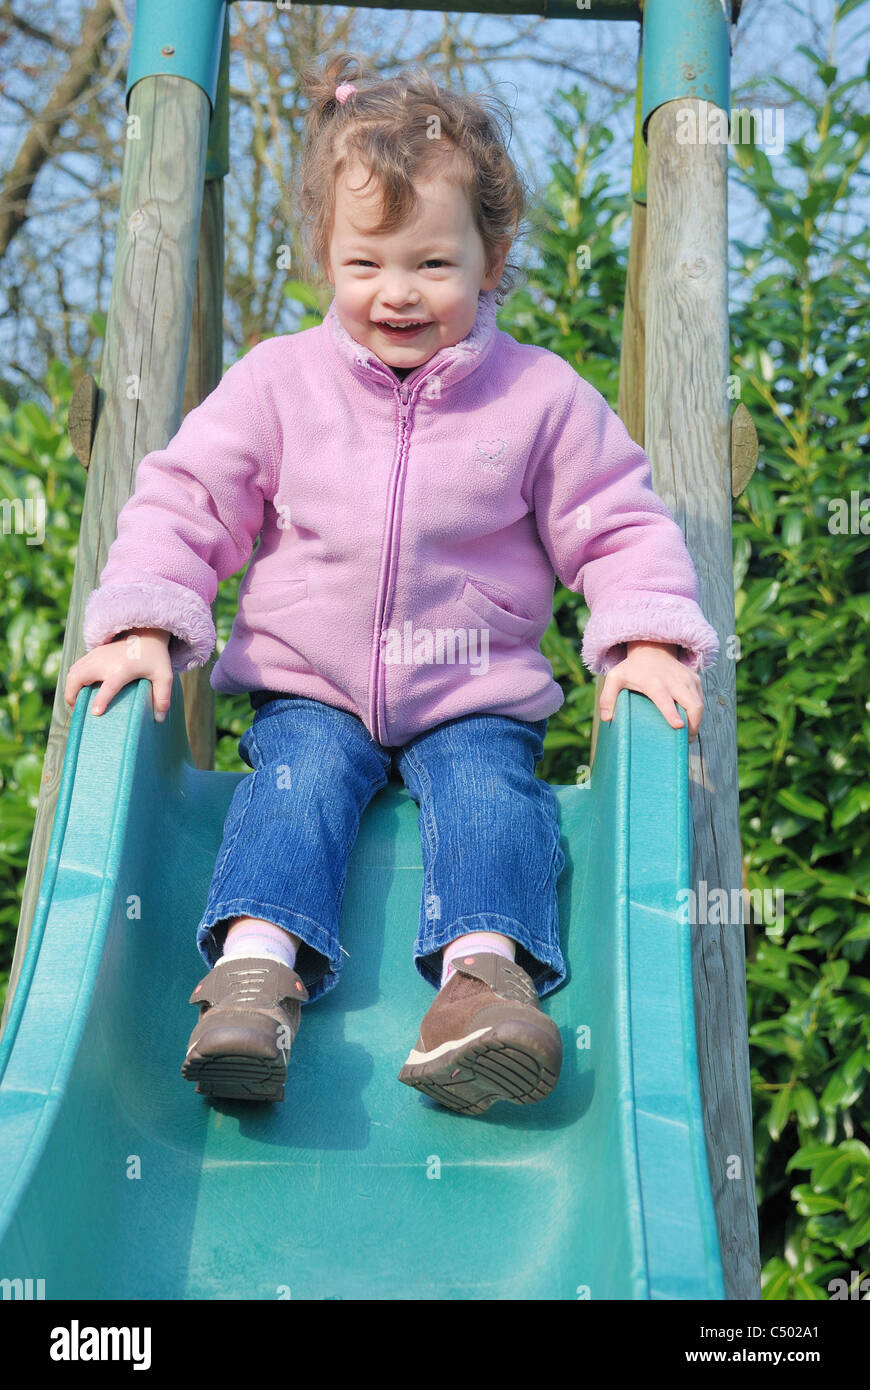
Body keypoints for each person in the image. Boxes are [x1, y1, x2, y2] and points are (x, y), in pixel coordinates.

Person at [65, 53, 718, 1115]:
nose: (397, 293)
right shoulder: (279, 383)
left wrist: (644, 634)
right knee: (295, 793)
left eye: (432, 264)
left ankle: (482, 987)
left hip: (473, 695)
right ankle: (252, 979)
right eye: (366, 263)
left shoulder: (540, 399)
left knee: (492, 805)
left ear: (492, 257)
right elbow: (189, 499)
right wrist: (146, 619)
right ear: (327, 253)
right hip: (311, 684)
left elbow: (619, 520)